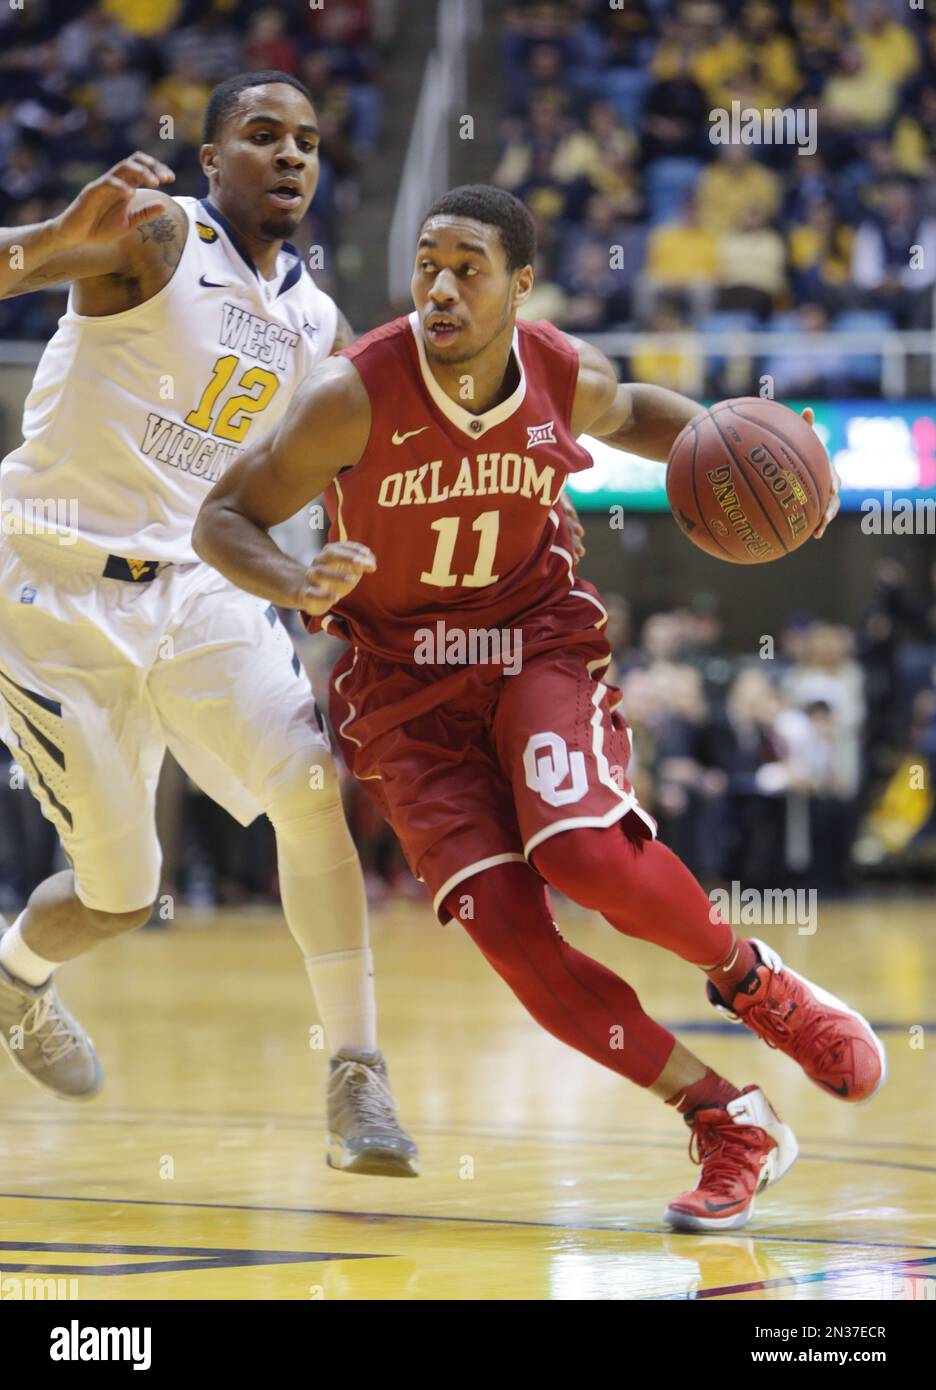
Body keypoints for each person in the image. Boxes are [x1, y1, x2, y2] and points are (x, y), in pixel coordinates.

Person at [194, 184, 886, 1231]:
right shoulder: (351, 394)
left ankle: (753, 980)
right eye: (427, 265)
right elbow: (223, 516)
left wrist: (768, 458)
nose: (439, 288)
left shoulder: (560, 372)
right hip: (401, 685)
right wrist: (294, 581)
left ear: (520, 285)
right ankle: (727, 1117)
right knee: (515, 938)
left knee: (583, 854)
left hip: (532, 640)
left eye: (467, 269)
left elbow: (638, 413)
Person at [0, 70, 417, 1178]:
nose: (291, 155)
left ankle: (357, 1069)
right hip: (55, 588)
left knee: (308, 783)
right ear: (212, 158)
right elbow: (13, 269)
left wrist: (320, 569)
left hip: (201, 585)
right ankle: (16, 979)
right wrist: (50, 237)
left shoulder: (316, 320)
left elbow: (356, 458)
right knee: (119, 895)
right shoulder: (154, 235)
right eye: (263, 134)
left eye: (308, 141)